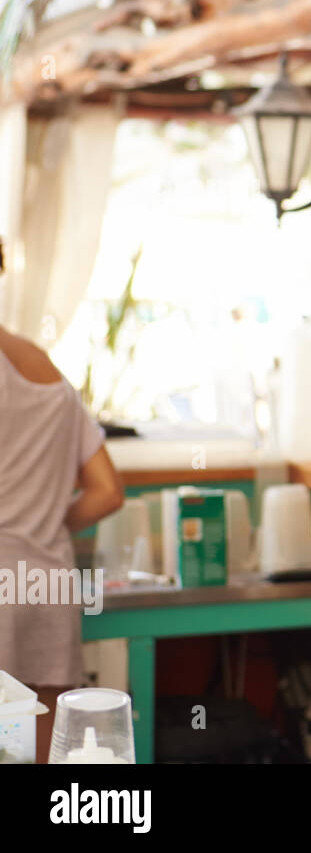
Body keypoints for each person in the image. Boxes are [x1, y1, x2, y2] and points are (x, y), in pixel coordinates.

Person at [0, 239, 126, 763]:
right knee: (49, 756)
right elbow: (107, 492)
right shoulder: (46, 368)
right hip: (47, 583)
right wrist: (45, 522)